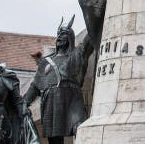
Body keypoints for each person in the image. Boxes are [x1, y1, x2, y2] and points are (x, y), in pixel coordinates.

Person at [23, 15, 94, 144]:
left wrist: (94, 20)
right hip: (52, 101)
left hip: (72, 99)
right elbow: (35, 86)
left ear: (70, 38)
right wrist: (24, 103)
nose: (60, 37)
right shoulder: (46, 62)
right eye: (59, 35)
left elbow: (88, 41)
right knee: (55, 139)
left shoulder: (77, 54)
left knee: (80, 127)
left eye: (64, 34)